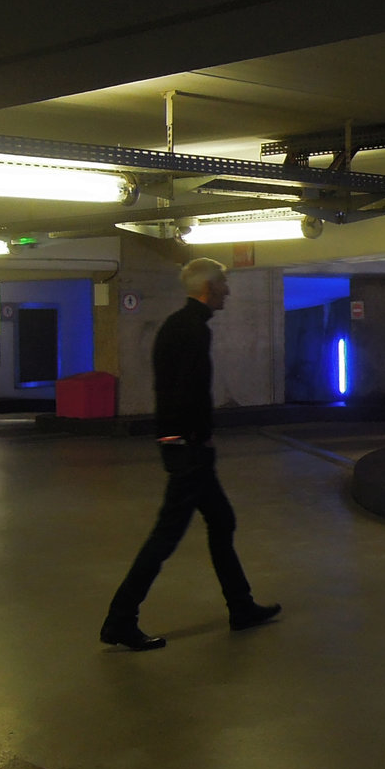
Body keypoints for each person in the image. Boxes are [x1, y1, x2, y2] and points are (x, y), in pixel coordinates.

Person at [100, 257, 280, 650]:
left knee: (222, 522)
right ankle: (120, 619)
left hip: (185, 445)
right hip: (188, 449)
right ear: (209, 289)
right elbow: (185, 392)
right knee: (166, 537)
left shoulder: (182, 326)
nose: (229, 292)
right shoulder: (191, 331)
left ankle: (241, 605)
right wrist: (193, 438)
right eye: (225, 285)